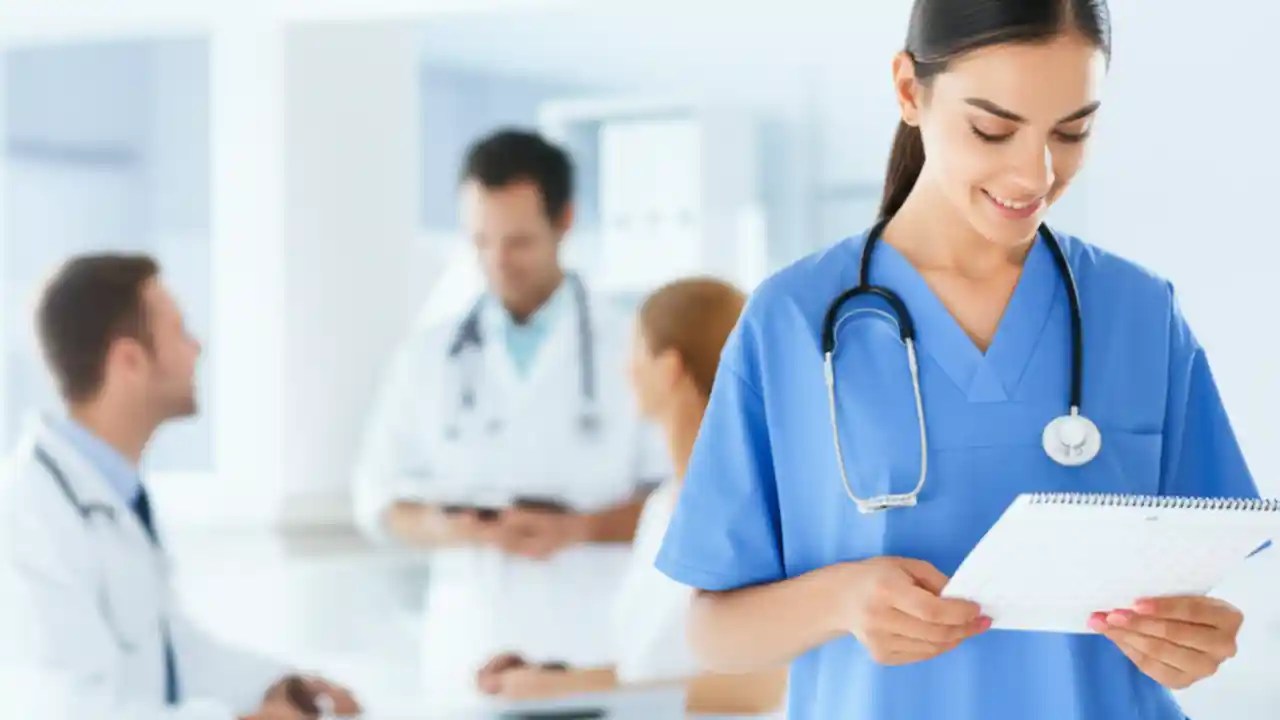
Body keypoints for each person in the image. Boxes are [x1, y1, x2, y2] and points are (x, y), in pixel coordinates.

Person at [653, 2, 1258, 719]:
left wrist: (1194, 641)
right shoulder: (792, 319)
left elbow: (1194, 590)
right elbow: (712, 629)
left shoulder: (1140, 313)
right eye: (992, 129)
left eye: (1073, 131)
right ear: (910, 91)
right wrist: (841, 600)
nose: (1036, 173)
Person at [353, 128, 669, 703]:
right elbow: (376, 499)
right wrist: (447, 527)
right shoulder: (428, 356)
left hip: (593, 646)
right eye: (480, 240)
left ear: (565, 221)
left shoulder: (630, 344)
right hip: (468, 648)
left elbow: (678, 498)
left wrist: (581, 528)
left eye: (519, 241)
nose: (498, 262)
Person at [0, 255, 360, 720]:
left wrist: (276, 682)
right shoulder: (25, 513)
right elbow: (69, 709)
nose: (197, 348)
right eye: (179, 332)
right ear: (129, 360)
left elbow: (172, 650)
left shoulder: (114, 494)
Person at [474, 279, 787, 715]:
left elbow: (757, 691)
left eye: (636, 350)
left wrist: (567, 690)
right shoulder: (663, 506)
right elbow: (646, 668)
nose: (625, 369)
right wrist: (546, 680)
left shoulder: (747, 509)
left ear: (669, 367)